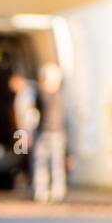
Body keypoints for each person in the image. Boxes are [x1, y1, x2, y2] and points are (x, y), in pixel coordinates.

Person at [32, 63, 68, 203]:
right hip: (43, 132)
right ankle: (41, 192)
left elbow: (64, 116)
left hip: (57, 133)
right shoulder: (40, 92)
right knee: (41, 163)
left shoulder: (59, 94)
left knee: (56, 163)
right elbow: (33, 113)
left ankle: (57, 192)